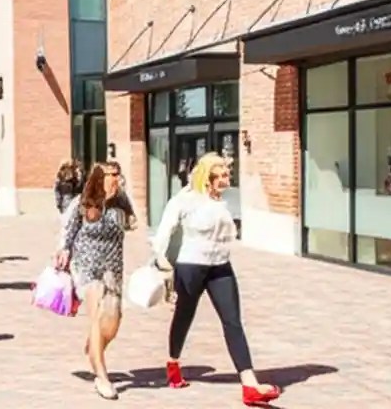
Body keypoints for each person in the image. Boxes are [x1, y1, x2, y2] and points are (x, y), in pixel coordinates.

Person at [152, 153, 281, 406]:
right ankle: (173, 362)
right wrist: (163, 265)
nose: (225, 179)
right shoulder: (185, 201)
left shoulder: (225, 201)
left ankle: (249, 384)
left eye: (226, 174)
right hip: (191, 267)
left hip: (220, 267)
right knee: (184, 316)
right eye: (220, 176)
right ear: (207, 178)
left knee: (233, 322)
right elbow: (163, 234)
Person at [55, 161, 136, 401]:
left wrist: (120, 204)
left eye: (118, 175)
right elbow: (68, 230)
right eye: (112, 175)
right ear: (100, 177)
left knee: (113, 322)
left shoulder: (121, 201)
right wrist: (63, 250)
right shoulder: (82, 203)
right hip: (87, 267)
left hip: (113, 267)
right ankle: (101, 375)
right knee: (98, 312)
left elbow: (132, 224)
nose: (116, 179)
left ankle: (94, 344)